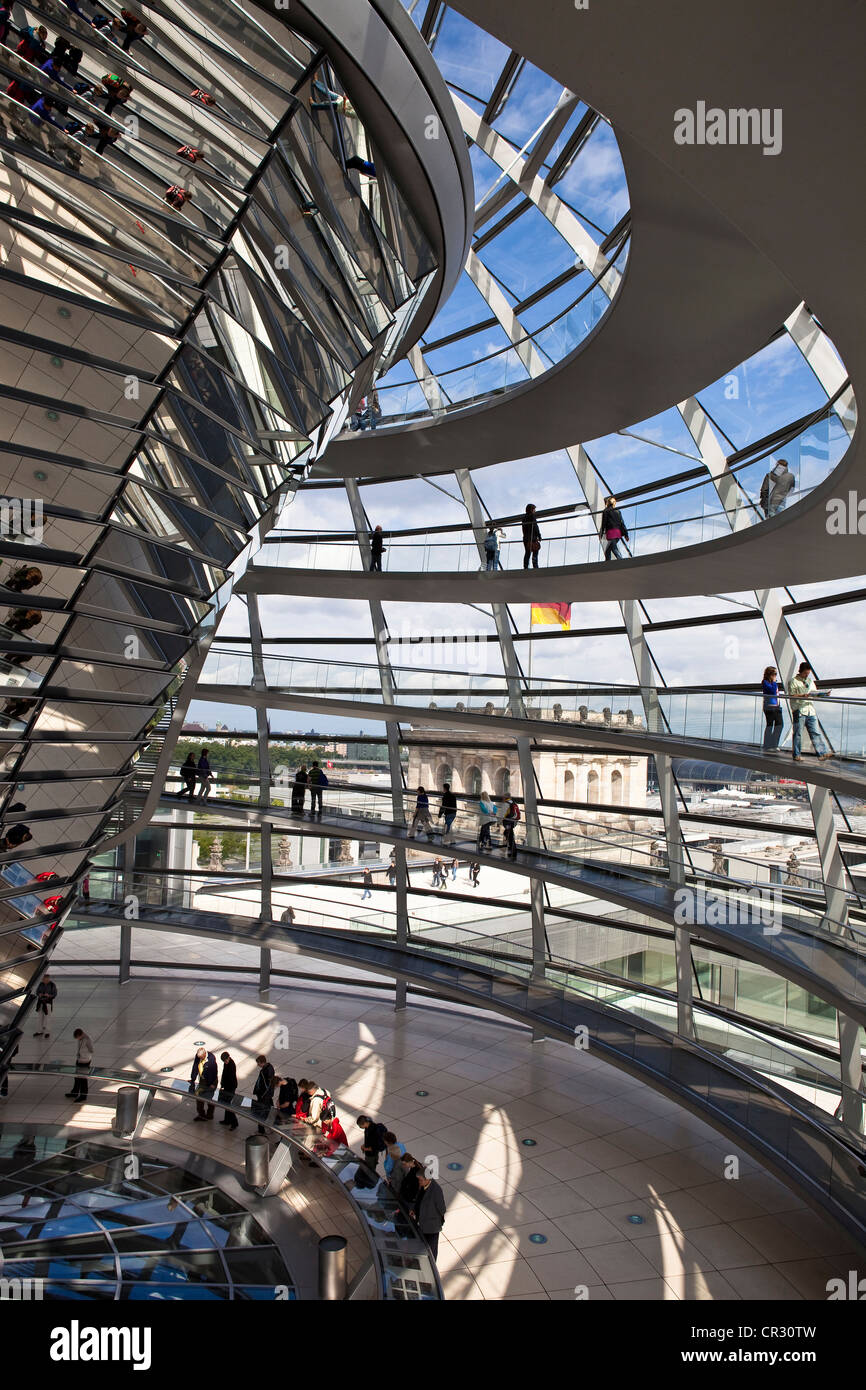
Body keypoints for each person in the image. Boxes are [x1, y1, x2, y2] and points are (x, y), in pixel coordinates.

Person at [788, 661, 833, 761]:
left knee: (815, 732)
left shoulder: (810, 681)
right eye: (805, 673)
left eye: (808, 673)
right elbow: (791, 695)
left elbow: (815, 693)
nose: (807, 675)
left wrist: (823, 694)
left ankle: (822, 753)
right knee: (798, 733)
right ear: (801, 671)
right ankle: (796, 755)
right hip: (799, 710)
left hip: (810, 710)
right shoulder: (793, 681)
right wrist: (803, 695)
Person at [413, 1170, 447, 1260]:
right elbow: (419, 1200)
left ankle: (432, 1268)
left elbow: (442, 1209)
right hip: (423, 1224)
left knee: (432, 1250)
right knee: (423, 1247)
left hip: (432, 1227)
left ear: (427, 1179)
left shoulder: (436, 1190)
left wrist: (432, 1215)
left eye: (420, 1180)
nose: (419, 1182)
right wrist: (414, 1210)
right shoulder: (423, 1186)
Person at [190, 1045, 218, 1120]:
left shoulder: (211, 1059)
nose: (200, 1059)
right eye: (199, 1057)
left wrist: (211, 1084)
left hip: (211, 1080)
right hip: (202, 1081)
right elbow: (195, 1067)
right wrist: (193, 1079)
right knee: (198, 1098)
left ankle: (210, 1115)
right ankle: (201, 1115)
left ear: (205, 1054)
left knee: (209, 1098)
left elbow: (214, 1073)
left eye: (201, 1057)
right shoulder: (198, 1056)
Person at [65, 1027, 93, 1101]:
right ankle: (75, 1092)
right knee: (77, 1077)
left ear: (80, 1035)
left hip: (85, 1061)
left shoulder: (87, 1039)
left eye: (77, 1037)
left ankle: (83, 1096)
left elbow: (91, 1050)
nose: (77, 1039)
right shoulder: (81, 1039)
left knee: (83, 1079)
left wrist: (84, 1055)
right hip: (79, 1060)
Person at [761, 665, 784, 752]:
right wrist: (774, 682)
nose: (775, 675)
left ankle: (774, 744)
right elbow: (773, 691)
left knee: (780, 725)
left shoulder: (773, 683)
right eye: (774, 674)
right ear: (769, 674)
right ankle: (767, 745)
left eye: (776, 674)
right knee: (770, 725)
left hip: (777, 707)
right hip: (769, 708)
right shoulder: (765, 682)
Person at [600, 495, 629, 560]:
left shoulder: (606, 511)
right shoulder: (618, 511)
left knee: (614, 549)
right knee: (608, 551)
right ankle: (607, 564)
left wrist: (601, 534)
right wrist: (626, 535)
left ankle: (621, 561)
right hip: (618, 533)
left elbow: (603, 523)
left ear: (607, 503)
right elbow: (622, 523)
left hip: (611, 533)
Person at [252, 1054, 275, 1133]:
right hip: (268, 1095)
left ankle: (261, 1130)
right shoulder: (270, 1067)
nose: (257, 1065)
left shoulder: (265, 1071)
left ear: (262, 1063)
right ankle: (271, 1127)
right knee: (269, 1110)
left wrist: (262, 1095)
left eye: (258, 1063)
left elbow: (266, 1085)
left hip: (264, 1095)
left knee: (261, 1112)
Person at [217, 1050, 238, 1129]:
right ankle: (227, 1120)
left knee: (228, 1105)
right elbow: (224, 1074)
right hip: (227, 1086)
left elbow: (230, 1078)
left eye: (226, 1060)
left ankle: (234, 1122)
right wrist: (222, 1084)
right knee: (226, 1104)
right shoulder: (226, 1064)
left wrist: (225, 1086)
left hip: (231, 1087)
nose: (225, 1062)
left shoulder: (232, 1065)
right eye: (224, 1061)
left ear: (228, 1057)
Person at [522, 503, 541, 569]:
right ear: (531, 509)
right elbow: (535, 526)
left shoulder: (523, 518)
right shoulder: (532, 516)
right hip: (532, 537)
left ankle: (525, 567)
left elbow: (523, 529)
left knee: (527, 552)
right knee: (535, 551)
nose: (535, 511)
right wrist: (539, 535)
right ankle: (535, 566)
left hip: (525, 538)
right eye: (534, 509)